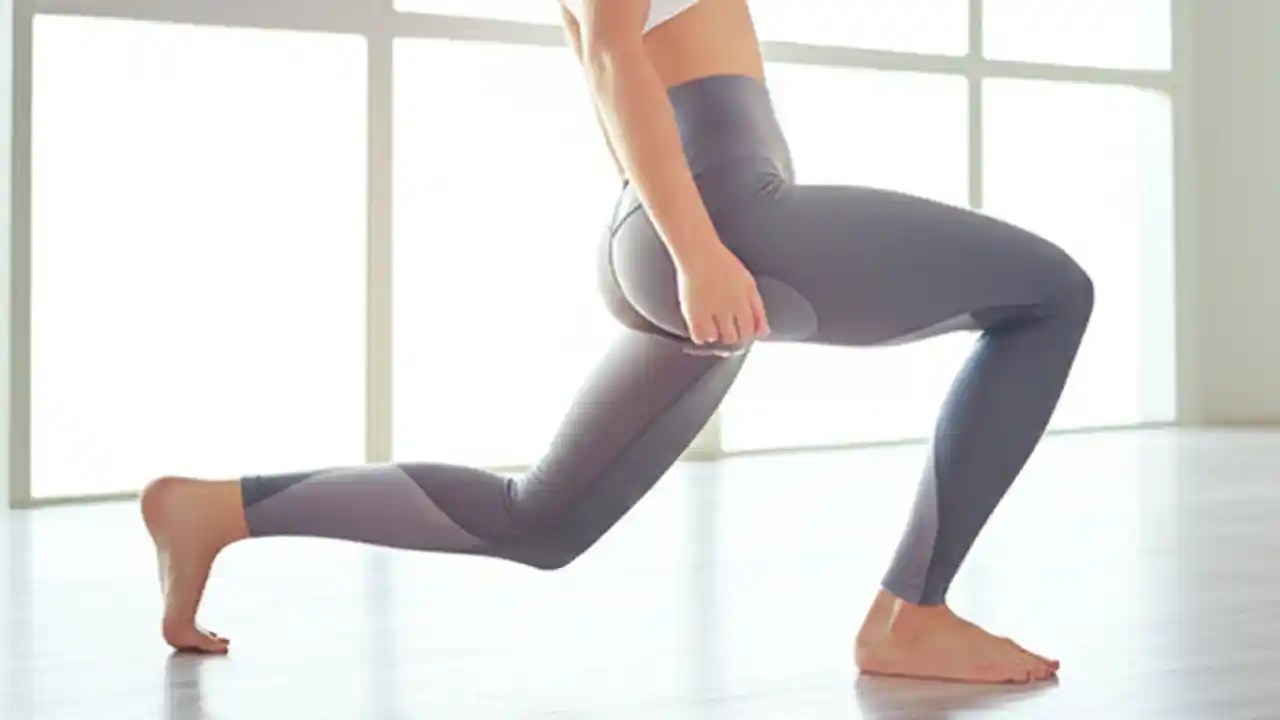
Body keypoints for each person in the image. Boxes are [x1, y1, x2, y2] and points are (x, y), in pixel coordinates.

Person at [142, 0, 1091, 684]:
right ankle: (910, 614)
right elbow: (607, 52)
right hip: (722, 217)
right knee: (1050, 295)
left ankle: (216, 509)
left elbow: (605, 53)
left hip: (682, 213)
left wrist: (674, 238)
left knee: (539, 520)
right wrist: (698, 251)